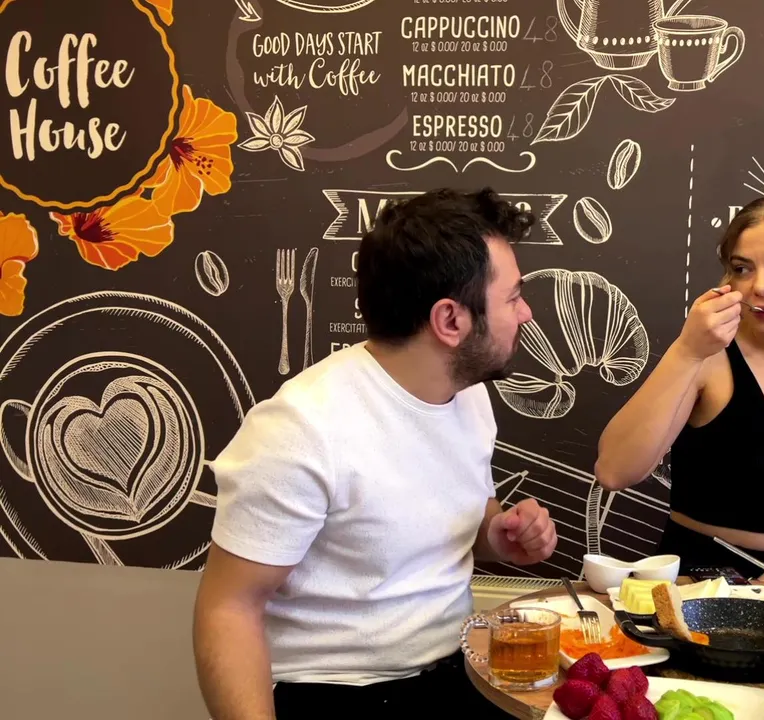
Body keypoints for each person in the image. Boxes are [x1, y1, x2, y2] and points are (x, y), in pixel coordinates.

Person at [192, 187, 557, 720]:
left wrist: (495, 532)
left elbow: (450, 514)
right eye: (512, 297)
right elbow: (228, 609)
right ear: (450, 321)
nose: (526, 312)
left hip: (459, 670)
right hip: (336, 692)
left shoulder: (468, 394)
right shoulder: (302, 428)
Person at [595, 195, 764, 585]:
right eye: (742, 269)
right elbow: (614, 470)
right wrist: (686, 351)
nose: (761, 286)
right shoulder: (707, 360)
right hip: (696, 591)